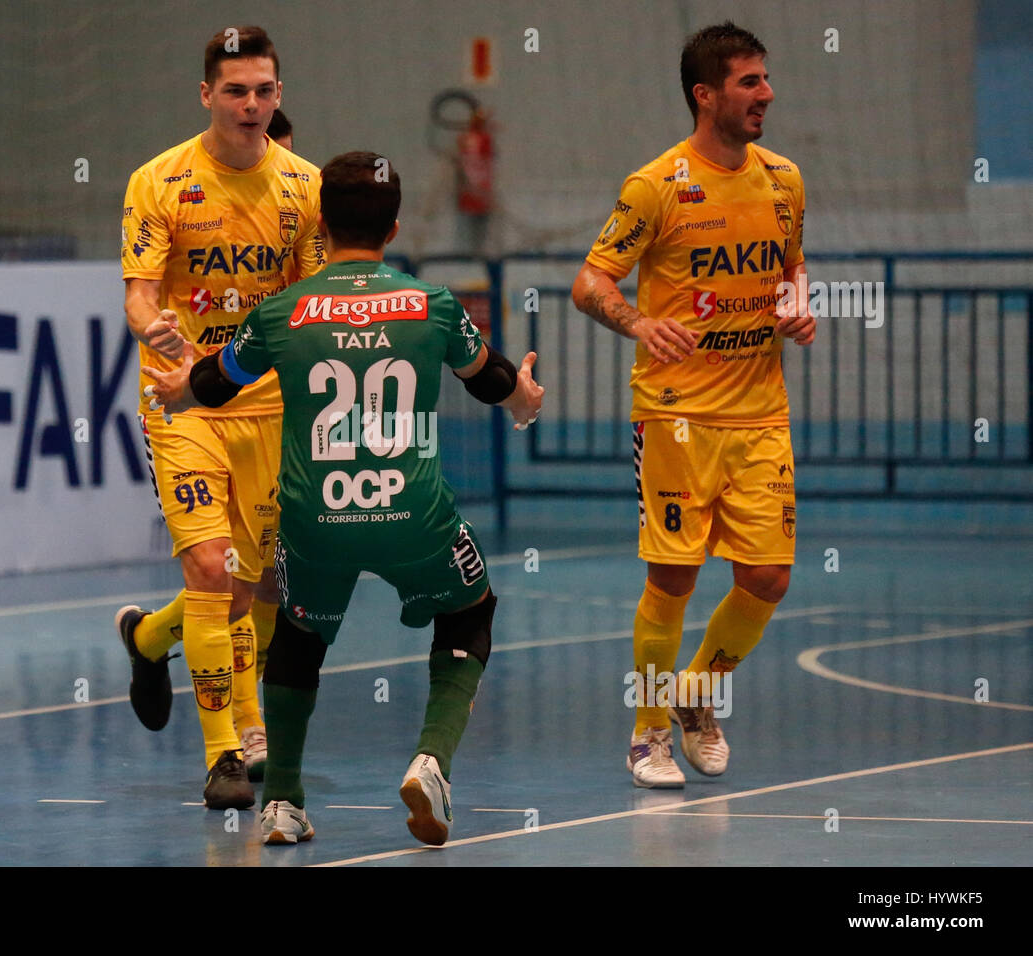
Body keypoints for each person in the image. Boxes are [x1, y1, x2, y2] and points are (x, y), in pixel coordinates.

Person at [142, 151, 544, 847]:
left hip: (315, 518)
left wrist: (177, 388)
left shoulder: (280, 312)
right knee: (471, 609)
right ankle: (431, 759)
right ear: (393, 227)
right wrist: (525, 400)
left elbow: (214, 383)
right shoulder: (432, 304)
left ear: (320, 224)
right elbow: (491, 378)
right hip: (411, 515)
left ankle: (285, 802)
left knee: (299, 637)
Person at [570, 22, 813, 789]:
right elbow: (591, 282)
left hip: (759, 414)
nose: (766, 94)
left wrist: (797, 304)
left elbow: (791, 265)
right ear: (705, 95)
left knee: (768, 577)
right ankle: (647, 733)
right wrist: (640, 321)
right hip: (675, 417)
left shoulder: (785, 179)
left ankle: (694, 695)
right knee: (672, 579)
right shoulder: (657, 187)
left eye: (765, 79)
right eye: (749, 82)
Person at [116, 26, 325, 811]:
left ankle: (146, 641)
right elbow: (141, 288)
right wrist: (151, 327)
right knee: (210, 570)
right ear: (207, 94)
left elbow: (310, 304)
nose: (251, 105)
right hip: (183, 398)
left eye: (264, 91)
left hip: (270, 409)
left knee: (252, 585)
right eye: (235, 91)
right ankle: (225, 755)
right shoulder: (160, 181)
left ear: (278, 95)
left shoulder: (303, 187)